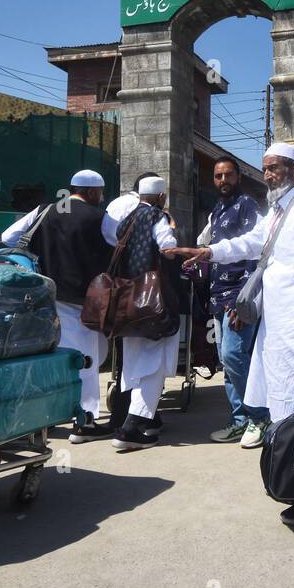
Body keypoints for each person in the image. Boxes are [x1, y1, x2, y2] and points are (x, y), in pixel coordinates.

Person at [166, 143, 294, 526]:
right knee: (284, 405)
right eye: (265, 169)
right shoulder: (275, 212)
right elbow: (248, 244)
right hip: (277, 328)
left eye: (275, 168)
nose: (268, 175)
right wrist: (209, 252)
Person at [1, 169, 116, 442]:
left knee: (50, 357)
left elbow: (8, 237)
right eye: (99, 192)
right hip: (82, 299)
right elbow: (120, 242)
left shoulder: (45, 210)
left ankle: (46, 417)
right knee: (85, 358)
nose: (100, 197)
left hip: (44, 298)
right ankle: (84, 421)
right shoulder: (100, 217)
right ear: (91, 192)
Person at [103, 173, 180, 452]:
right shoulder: (157, 217)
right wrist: (171, 227)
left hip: (126, 301)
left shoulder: (126, 220)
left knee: (134, 364)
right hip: (151, 303)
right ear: (161, 198)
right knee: (154, 365)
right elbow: (168, 249)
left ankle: (134, 420)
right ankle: (131, 428)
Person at [202, 156, 270, 448]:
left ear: (238, 177)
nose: (223, 181)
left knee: (234, 355)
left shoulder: (248, 206)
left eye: (228, 176)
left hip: (237, 295)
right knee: (226, 361)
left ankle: (260, 416)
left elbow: (255, 254)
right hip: (218, 294)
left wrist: (243, 300)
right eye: (218, 176)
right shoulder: (217, 209)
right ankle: (240, 420)